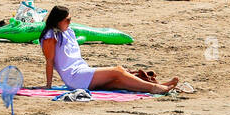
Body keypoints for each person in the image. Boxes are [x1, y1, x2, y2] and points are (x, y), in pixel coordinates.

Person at [40, 6, 179, 93]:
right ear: (57, 21)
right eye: (67, 20)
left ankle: (157, 86)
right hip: (74, 77)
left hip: (81, 70)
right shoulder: (50, 36)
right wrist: (48, 85)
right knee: (117, 71)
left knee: (118, 81)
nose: (70, 23)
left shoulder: (67, 31)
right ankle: (155, 89)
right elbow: (50, 61)